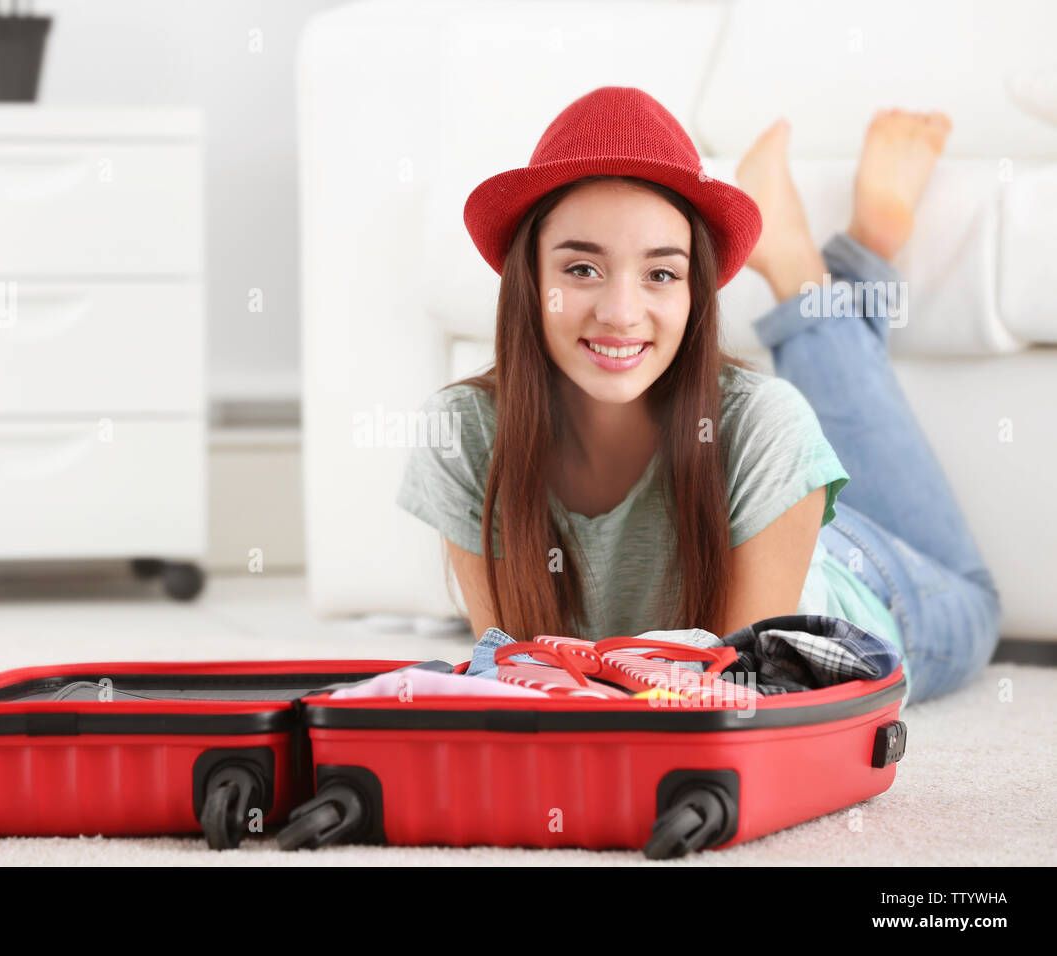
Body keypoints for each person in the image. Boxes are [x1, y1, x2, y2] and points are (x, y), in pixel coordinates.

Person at [394, 87, 1001, 706]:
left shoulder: (766, 425)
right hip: (775, 504)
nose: (620, 313)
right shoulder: (464, 433)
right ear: (531, 278)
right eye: (581, 269)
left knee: (977, 602)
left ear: (695, 292)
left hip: (859, 580)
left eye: (661, 273)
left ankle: (819, 264)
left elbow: (734, 709)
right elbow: (513, 686)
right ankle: (852, 260)